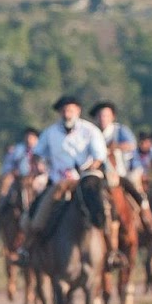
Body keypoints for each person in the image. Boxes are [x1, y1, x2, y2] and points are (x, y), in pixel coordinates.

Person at [20, 96, 122, 267]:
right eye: (65, 111)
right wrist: (38, 164)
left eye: (71, 110)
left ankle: (112, 251)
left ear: (78, 111)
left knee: (104, 211)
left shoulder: (90, 131)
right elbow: (38, 154)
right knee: (37, 215)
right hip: (59, 182)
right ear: (60, 112)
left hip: (86, 180)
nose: (68, 114)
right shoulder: (50, 132)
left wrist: (86, 169)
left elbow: (99, 157)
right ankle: (27, 249)